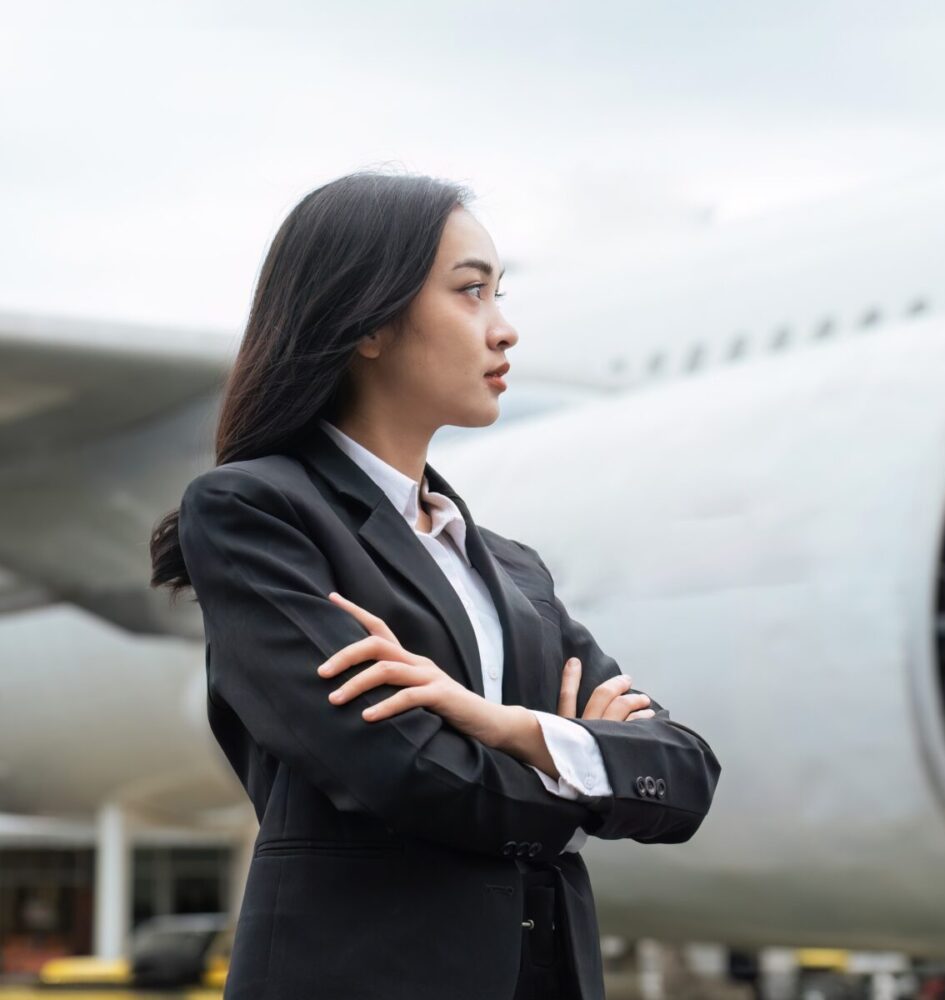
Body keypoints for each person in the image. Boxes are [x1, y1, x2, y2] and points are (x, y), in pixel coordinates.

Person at [148, 169, 722, 999]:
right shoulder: (255, 512)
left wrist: (505, 726)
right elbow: (403, 774)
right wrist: (581, 768)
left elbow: (685, 778)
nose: (506, 330)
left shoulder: (514, 568)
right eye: (471, 293)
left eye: (500, 293)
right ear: (369, 320)